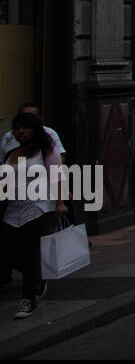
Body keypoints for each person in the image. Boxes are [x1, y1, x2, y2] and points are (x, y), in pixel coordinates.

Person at [1, 113, 66, 319]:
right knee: (8, 253)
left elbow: (56, 176)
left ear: (35, 129)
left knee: (29, 252)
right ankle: (38, 276)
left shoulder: (46, 150)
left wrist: (59, 202)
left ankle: (28, 299)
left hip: (38, 207)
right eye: (17, 128)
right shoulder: (11, 153)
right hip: (12, 210)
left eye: (25, 127)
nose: (20, 131)